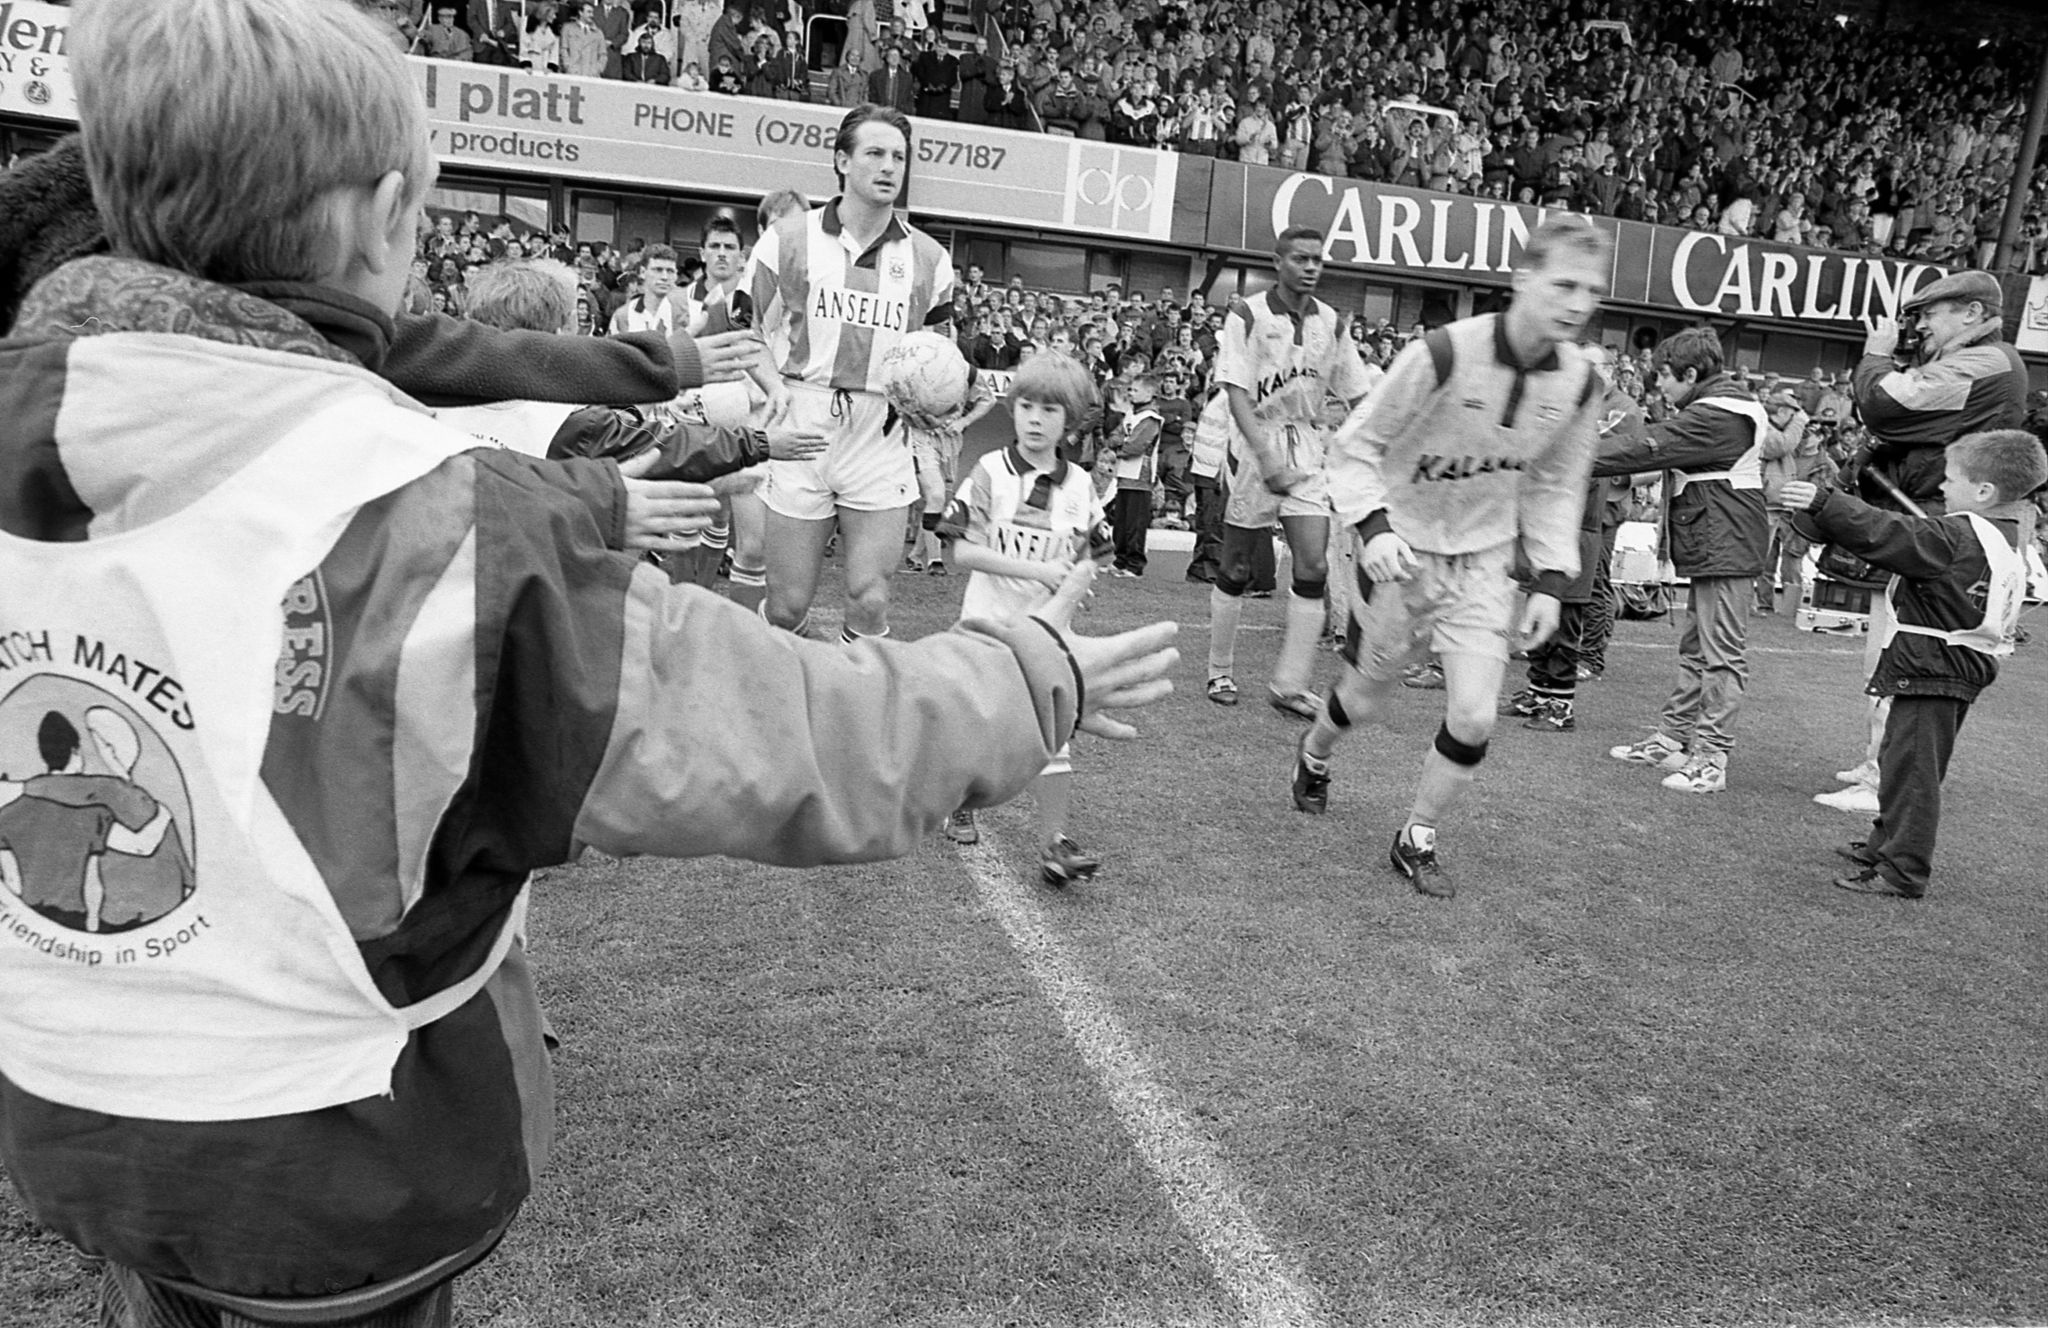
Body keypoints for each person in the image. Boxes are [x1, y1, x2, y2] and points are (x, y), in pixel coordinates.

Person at [0, 7, 1181, 1327]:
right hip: (337, 1166)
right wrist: (1027, 676)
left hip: (76, 1118)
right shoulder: (437, 523)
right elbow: (794, 736)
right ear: (386, 217)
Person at [1290, 217, 1609, 899]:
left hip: (1485, 562)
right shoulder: (1442, 353)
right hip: (1402, 557)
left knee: (1474, 715)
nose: (1578, 303)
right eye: (1564, 284)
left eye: (1591, 290)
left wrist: (1551, 581)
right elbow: (1355, 446)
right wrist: (1375, 529)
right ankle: (1315, 754)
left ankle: (1417, 835)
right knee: (1367, 695)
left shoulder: (1581, 383)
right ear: (1523, 279)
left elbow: (1557, 484)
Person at [1780, 430, 2047, 898]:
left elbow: (1890, 532)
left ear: (1984, 491)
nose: (1942, 488)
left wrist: (1826, 503)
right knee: (1901, 760)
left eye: (1951, 479)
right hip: (1952, 663)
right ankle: (1885, 844)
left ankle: (1902, 868)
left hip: (1935, 666)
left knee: (1914, 771)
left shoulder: (1958, 536)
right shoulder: (1999, 536)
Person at [733, 104, 956, 644]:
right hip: (803, 423)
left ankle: (854, 715)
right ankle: (792, 676)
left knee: (870, 595)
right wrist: (774, 387)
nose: (889, 167)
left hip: (882, 430)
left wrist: (934, 418)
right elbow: (745, 328)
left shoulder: (929, 258)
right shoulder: (788, 238)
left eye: (899, 157)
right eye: (875, 153)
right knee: (785, 607)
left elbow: (940, 352)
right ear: (841, 160)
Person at [1822, 269, 2029, 812]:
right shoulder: (1973, 361)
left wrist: (1877, 357)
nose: (1921, 327)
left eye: (1930, 314)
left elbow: (1887, 407)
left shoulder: (1992, 361)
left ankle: (1880, 783)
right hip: (1926, 516)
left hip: (1940, 527)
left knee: (1908, 654)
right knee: (1887, 653)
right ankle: (1877, 765)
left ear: (1973, 314)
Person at [936, 354, 1116, 885]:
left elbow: (1096, 555)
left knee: (1055, 731)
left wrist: (1077, 582)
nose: (1035, 419)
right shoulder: (990, 470)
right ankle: (962, 800)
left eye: (1050, 410)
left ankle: (1053, 844)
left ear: (1072, 421)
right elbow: (961, 555)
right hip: (986, 626)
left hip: (1046, 635)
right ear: (1013, 409)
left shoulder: (1081, 485)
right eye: (1026, 406)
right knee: (981, 723)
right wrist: (1036, 569)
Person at [1205, 227, 1376, 717]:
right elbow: (1235, 391)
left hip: (1305, 442)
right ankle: (1220, 668)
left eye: (1317, 259)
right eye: (1300, 258)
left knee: (1314, 566)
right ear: (1276, 262)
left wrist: (1367, 440)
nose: (1311, 267)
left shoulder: (1331, 322)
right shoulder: (1247, 314)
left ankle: (1289, 684)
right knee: (1236, 567)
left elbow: (1360, 395)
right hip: (1253, 439)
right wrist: (1266, 457)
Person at [1600, 328, 1770, 795]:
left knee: (1721, 653)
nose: (1661, 390)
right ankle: (1674, 739)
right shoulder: (1719, 406)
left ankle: (1711, 758)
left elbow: (1645, 446)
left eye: (1666, 380)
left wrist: (1569, 455)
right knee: (1699, 648)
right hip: (1716, 539)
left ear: (1692, 374)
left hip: (1726, 541)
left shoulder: (1717, 415)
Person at [608, 242, 687, 336]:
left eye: (670, 271)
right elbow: (609, 350)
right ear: (642, 272)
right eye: (658, 270)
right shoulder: (624, 315)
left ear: (676, 275)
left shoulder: (686, 316)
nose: (664, 277)